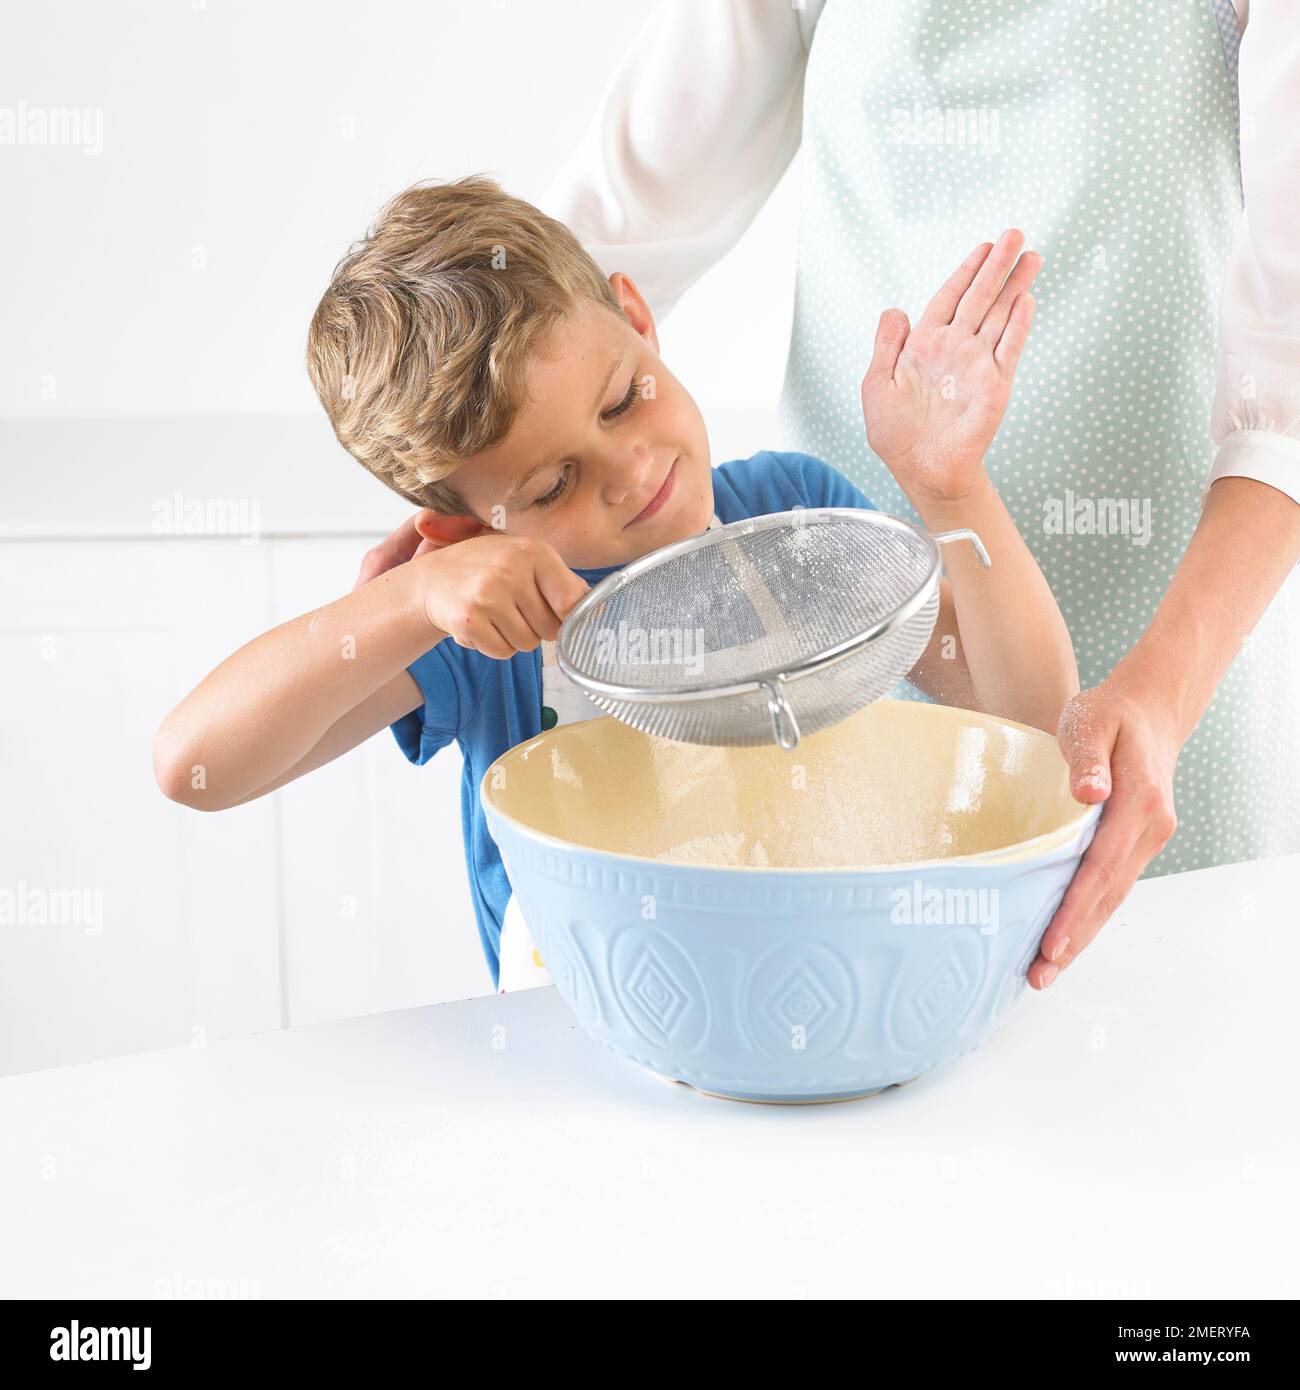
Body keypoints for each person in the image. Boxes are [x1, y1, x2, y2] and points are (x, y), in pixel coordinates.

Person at [396, 0, 1296, 992]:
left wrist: (1161, 696)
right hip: (824, 636)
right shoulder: (777, 499)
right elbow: (604, 245)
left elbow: (1286, 390)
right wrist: (467, 496)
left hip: (1173, 645)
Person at [154, 176, 1074, 993]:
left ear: (638, 318)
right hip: (587, 1068)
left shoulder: (796, 520)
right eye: (551, 486)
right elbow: (193, 767)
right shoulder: (485, 633)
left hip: (817, 1004)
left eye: (623, 397)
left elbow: (1033, 715)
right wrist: (401, 605)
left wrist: (952, 490)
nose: (631, 472)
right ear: (468, 529)